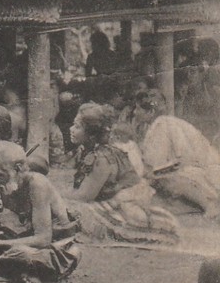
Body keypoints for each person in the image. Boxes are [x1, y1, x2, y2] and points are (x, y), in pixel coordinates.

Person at [0, 141, 81, 283]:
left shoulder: (37, 184)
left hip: (54, 250)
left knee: (20, 254)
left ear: (18, 168)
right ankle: (14, 271)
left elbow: (43, 239)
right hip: (20, 241)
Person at [65, 103, 179, 245]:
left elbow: (84, 196)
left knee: (71, 211)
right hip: (113, 200)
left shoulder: (102, 157)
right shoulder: (89, 151)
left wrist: (57, 194)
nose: (71, 129)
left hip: (125, 204)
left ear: (91, 133)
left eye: (77, 126)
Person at [134, 89, 220, 219]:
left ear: (150, 112)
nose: (135, 112)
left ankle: (209, 204)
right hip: (188, 166)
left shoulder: (163, 123)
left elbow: (177, 159)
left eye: (138, 109)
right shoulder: (155, 125)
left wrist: (152, 173)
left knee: (166, 180)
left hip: (198, 168)